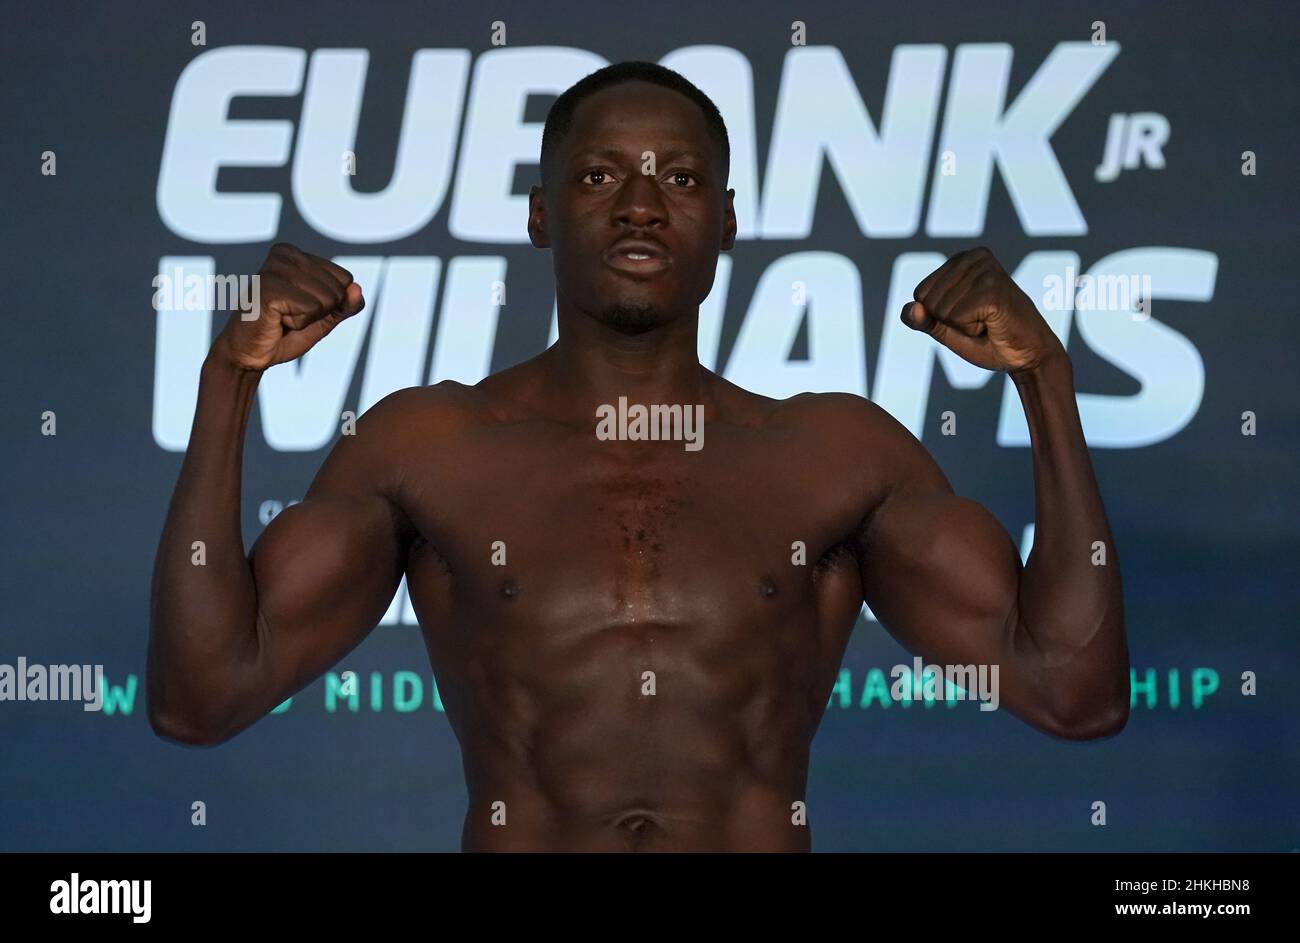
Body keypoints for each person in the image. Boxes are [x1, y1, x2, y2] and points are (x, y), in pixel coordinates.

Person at [148, 61, 1128, 851]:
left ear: (729, 223)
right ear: (540, 215)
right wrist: (227, 383)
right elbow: (207, 696)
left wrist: (1042, 379)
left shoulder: (835, 453)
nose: (640, 204)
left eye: (681, 178)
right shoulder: (430, 447)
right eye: (598, 174)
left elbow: (1067, 691)